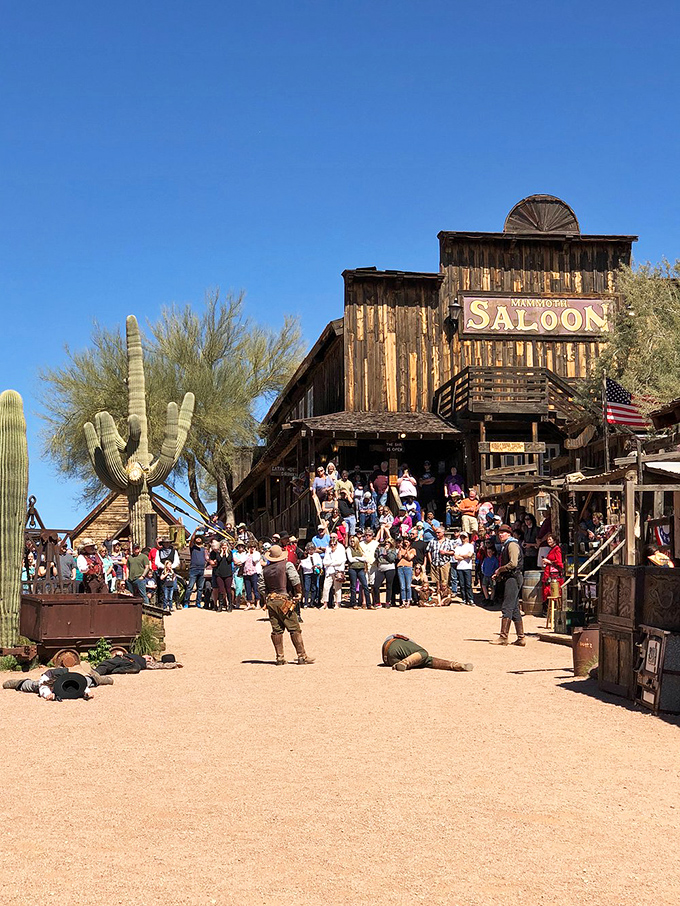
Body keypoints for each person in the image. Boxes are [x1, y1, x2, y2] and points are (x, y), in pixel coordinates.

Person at [262, 544, 314, 665]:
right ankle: (302, 656)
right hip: (284, 599)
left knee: (277, 630)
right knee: (294, 628)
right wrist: (299, 593)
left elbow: (261, 586)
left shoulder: (265, 570)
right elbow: (295, 579)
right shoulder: (287, 565)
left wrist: (268, 597)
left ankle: (279, 657)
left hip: (271, 601)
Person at [490, 524, 526, 646]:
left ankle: (503, 637)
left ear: (509, 534)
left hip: (513, 577)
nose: (500, 535)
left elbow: (513, 563)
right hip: (510, 577)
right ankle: (521, 638)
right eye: (499, 533)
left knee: (507, 606)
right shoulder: (506, 545)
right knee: (515, 608)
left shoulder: (512, 545)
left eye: (503, 533)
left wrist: (500, 569)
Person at [3, 666, 112, 699]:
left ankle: (98, 679)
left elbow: (81, 684)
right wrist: (48, 695)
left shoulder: (68, 676)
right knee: (33, 685)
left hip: (68, 683)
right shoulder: (47, 678)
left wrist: (87, 693)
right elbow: (43, 688)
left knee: (87, 680)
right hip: (47, 683)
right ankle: (18, 683)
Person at [381, 635, 473, 672]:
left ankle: (456, 665)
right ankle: (404, 663)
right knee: (423, 653)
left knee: (424, 661)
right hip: (393, 645)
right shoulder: (407, 643)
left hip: (388, 660)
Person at [426, 526, 456, 603]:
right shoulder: (433, 541)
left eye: (438, 532)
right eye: (436, 532)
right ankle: (439, 594)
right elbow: (428, 551)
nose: (437, 534)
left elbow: (453, 552)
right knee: (437, 580)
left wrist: (445, 552)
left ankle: (446, 595)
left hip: (444, 563)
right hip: (435, 563)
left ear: (443, 533)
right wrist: (431, 561)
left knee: (445, 580)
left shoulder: (448, 541)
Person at [321, 533, 346, 609]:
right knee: (326, 587)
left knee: (337, 588)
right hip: (329, 571)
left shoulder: (341, 547)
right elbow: (325, 561)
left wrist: (330, 563)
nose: (332, 538)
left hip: (338, 571)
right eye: (331, 537)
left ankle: (337, 603)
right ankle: (325, 603)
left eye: (334, 537)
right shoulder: (327, 548)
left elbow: (341, 560)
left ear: (337, 538)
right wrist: (331, 563)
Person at [346, 534, 371, 608]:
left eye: (353, 541)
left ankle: (368, 604)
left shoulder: (360, 549)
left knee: (365, 586)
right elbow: (350, 559)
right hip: (352, 569)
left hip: (361, 569)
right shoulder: (349, 549)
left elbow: (365, 559)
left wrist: (356, 557)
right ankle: (353, 603)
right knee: (353, 586)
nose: (352, 542)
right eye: (351, 541)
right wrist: (360, 558)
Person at [373, 537, 398, 608]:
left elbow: (391, 559)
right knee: (376, 586)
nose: (386, 544)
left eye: (388, 542)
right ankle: (378, 602)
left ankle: (388, 601)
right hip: (381, 568)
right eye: (386, 542)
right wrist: (377, 550)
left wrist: (387, 552)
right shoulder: (381, 548)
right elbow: (376, 557)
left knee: (389, 586)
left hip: (390, 568)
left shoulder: (393, 550)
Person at [184, 531, 206, 608]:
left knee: (200, 588)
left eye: (200, 538)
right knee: (190, 586)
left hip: (202, 569)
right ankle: (186, 602)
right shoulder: (192, 547)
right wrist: (195, 531)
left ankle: (198, 602)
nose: (198, 539)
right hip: (193, 569)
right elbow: (192, 539)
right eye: (197, 538)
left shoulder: (204, 549)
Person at [541, 534, 565, 603]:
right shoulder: (552, 549)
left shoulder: (557, 549)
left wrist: (549, 561)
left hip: (554, 574)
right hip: (549, 572)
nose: (548, 541)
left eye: (550, 539)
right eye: (548, 540)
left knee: (553, 591)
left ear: (554, 541)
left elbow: (559, 562)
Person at [453, 531, 475, 606]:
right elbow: (456, 557)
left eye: (464, 537)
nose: (463, 539)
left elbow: (469, 555)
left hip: (467, 567)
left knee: (468, 584)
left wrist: (461, 556)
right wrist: (464, 556)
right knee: (462, 585)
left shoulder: (470, 546)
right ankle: (464, 599)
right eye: (462, 537)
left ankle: (470, 599)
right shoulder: (458, 547)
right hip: (460, 567)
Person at [300, 543, 323, 608]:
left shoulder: (316, 555)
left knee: (314, 587)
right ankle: (306, 602)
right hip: (307, 573)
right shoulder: (305, 555)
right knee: (307, 588)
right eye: (310, 550)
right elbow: (303, 564)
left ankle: (312, 602)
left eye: (312, 550)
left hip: (315, 572)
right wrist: (311, 567)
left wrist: (318, 566)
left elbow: (320, 562)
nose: (311, 551)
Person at [396, 537, 416, 607]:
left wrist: (407, 550)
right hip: (400, 567)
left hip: (408, 567)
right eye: (405, 542)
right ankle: (403, 601)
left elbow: (409, 558)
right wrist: (400, 549)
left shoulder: (413, 550)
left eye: (407, 542)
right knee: (402, 586)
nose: (405, 544)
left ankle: (408, 601)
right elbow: (398, 557)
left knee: (408, 586)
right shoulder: (401, 549)